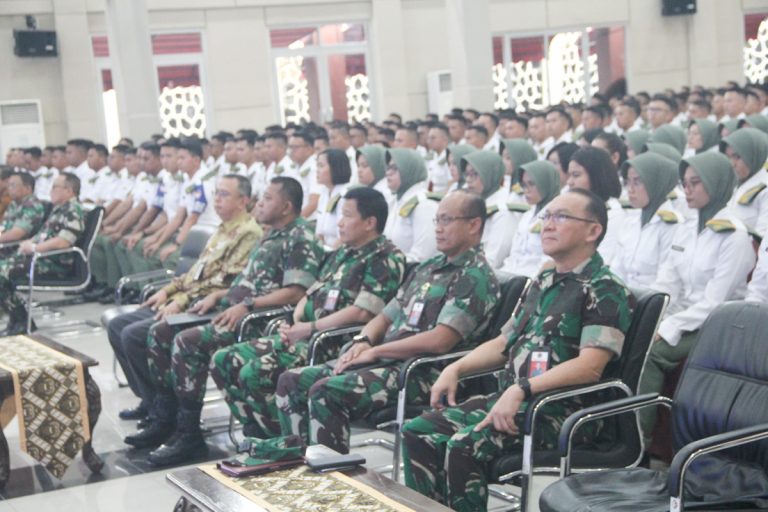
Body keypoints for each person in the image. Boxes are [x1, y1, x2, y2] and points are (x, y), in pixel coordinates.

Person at [401, 189, 635, 512]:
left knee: (463, 446)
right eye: (546, 216)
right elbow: (502, 345)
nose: (548, 226)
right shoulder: (543, 281)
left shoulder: (605, 288)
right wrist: (455, 369)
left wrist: (522, 388)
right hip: (512, 401)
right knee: (418, 431)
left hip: (558, 412)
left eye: (561, 217)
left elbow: (590, 366)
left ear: (593, 231)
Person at [275, 189, 500, 455]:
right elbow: (384, 316)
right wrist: (363, 341)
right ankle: (296, 461)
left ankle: (330, 478)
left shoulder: (475, 275)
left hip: (423, 373)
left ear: (474, 225)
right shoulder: (428, 267)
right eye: (437, 221)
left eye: (447, 220)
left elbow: (440, 341)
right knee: (291, 380)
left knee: (326, 391)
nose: (438, 228)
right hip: (385, 361)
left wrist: (376, 351)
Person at [128, 178, 324, 466]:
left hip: (259, 320)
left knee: (186, 342)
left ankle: (190, 435)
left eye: (267, 199)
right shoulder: (271, 234)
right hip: (234, 308)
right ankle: (167, 419)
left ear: (286, 207)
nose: (260, 203)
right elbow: (245, 283)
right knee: (159, 332)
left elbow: (295, 291)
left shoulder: (300, 237)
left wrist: (247, 305)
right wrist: (220, 295)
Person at [212, 187, 406, 447]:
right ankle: (263, 437)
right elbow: (311, 293)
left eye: (347, 216)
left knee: (253, 373)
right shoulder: (342, 253)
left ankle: (286, 445)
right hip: (305, 333)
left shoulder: (386, 257)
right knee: (223, 360)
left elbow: (362, 312)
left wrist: (308, 328)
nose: (339, 223)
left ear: (370, 222)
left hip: (333, 342)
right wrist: (293, 322)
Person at [108, 175, 261, 428]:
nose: (217, 200)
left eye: (224, 194)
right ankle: (151, 401)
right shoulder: (222, 229)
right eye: (216, 193)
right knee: (117, 326)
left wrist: (179, 299)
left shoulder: (248, 233)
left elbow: (224, 283)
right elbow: (194, 274)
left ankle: (165, 411)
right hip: (188, 299)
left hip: (208, 306)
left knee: (134, 335)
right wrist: (167, 291)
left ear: (243, 200)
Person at [638, 152, 756, 445]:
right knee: (633, 337)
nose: (687, 190)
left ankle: (638, 440)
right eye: (685, 183)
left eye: (695, 183)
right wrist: (652, 318)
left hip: (717, 324)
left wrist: (669, 327)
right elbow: (666, 283)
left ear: (715, 184)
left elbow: (715, 302)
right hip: (683, 314)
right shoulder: (687, 228)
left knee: (653, 353)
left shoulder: (735, 236)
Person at [0, 173, 84, 335]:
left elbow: (63, 242)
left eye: (54, 187)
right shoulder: (59, 209)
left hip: (53, 262)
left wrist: (34, 248)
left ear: (69, 190)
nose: (50, 191)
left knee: (2, 272)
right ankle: (18, 319)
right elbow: (44, 236)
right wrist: (30, 244)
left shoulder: (74, 210)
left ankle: (21, 320)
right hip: (40, 258)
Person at [611, 153, 683, 288]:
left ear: (656, 183)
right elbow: (617, 270)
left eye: (637, 182)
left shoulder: (673, 226)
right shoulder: (630, 221)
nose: (630, 190)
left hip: (654, 302)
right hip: (626, 298)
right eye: (628, 182)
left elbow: (666, 282)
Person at [499, 160, 561, 277]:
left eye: (531, 184)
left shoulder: (557, 217)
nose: (525, 190)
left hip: (532, 280)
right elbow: (514, 255)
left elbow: (548, 261)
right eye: (524, 185)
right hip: (512, 275)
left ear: (545, 183)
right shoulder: (528, 214)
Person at [461, 151, 520, 268]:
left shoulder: (503, 211)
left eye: (474, 174)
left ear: (489, 174)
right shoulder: (475, 203)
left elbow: (493, 260)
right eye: (467, 174)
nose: (468, 180)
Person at [565, 147, 625, 262]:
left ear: (595, 176)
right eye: (569, 175)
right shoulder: (576, 209)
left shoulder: (613, 214)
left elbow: (605, 258)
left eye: (576, 175)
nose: (569, 182)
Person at [383, 148, 439, 262]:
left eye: (394, 168)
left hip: (413, 275)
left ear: (408, 169)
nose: (388, 173)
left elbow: (422, 255)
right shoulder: (394, 201)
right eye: (388, 168)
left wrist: (389, 269)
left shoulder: (425, 205)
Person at [720, 127, 768, 237]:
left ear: (753, 155)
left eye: (737, 157)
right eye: (728, 157)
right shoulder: (734, 185)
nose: (732, 164)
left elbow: (762, 238)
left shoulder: (765, 190)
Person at [314, 148, 351, 250]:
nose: (317, 170)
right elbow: (319, 234)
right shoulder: (324, 194)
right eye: (317, 165)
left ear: (335, 168)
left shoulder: (345, 196)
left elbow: (344, 238)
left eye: (321, 166)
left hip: (338, 252)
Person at [0, 172, 46, 247]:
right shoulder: (14, 204)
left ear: (27, 188)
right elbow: (3, 227)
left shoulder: (32, 205)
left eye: (13, 185)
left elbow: (16, 234)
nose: (9, 189)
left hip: (17, 250)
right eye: (8, 185)